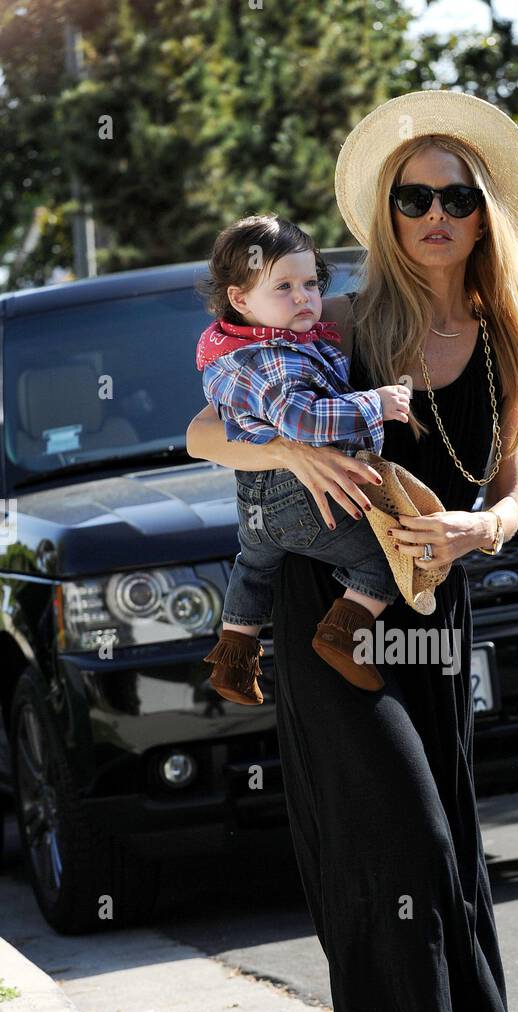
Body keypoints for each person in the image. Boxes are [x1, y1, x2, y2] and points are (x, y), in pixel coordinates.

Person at [186, 89, 518, 1012]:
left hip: (428, 614)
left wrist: (477, 529)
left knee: (437, 870)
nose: (433, 213)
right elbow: (201, 429)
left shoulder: (514, 335)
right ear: (386, 210)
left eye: (456, 196)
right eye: (412, 196)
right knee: (401, 848)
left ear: (485, 213)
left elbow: (510, 496)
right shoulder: (344, 323)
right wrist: (288, 451)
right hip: (329, 623)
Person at [195, 213, 414, 699]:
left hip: (253, 500)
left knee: (253, 569)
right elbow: (305, 422)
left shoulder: (232, 350)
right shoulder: (272, 357)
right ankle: (342, 634)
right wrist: (375, 402)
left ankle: (234, 658)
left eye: (311, 283)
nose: (303, 297)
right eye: (284, 287)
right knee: (387, 559)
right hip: (305, 494)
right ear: (240, 298)